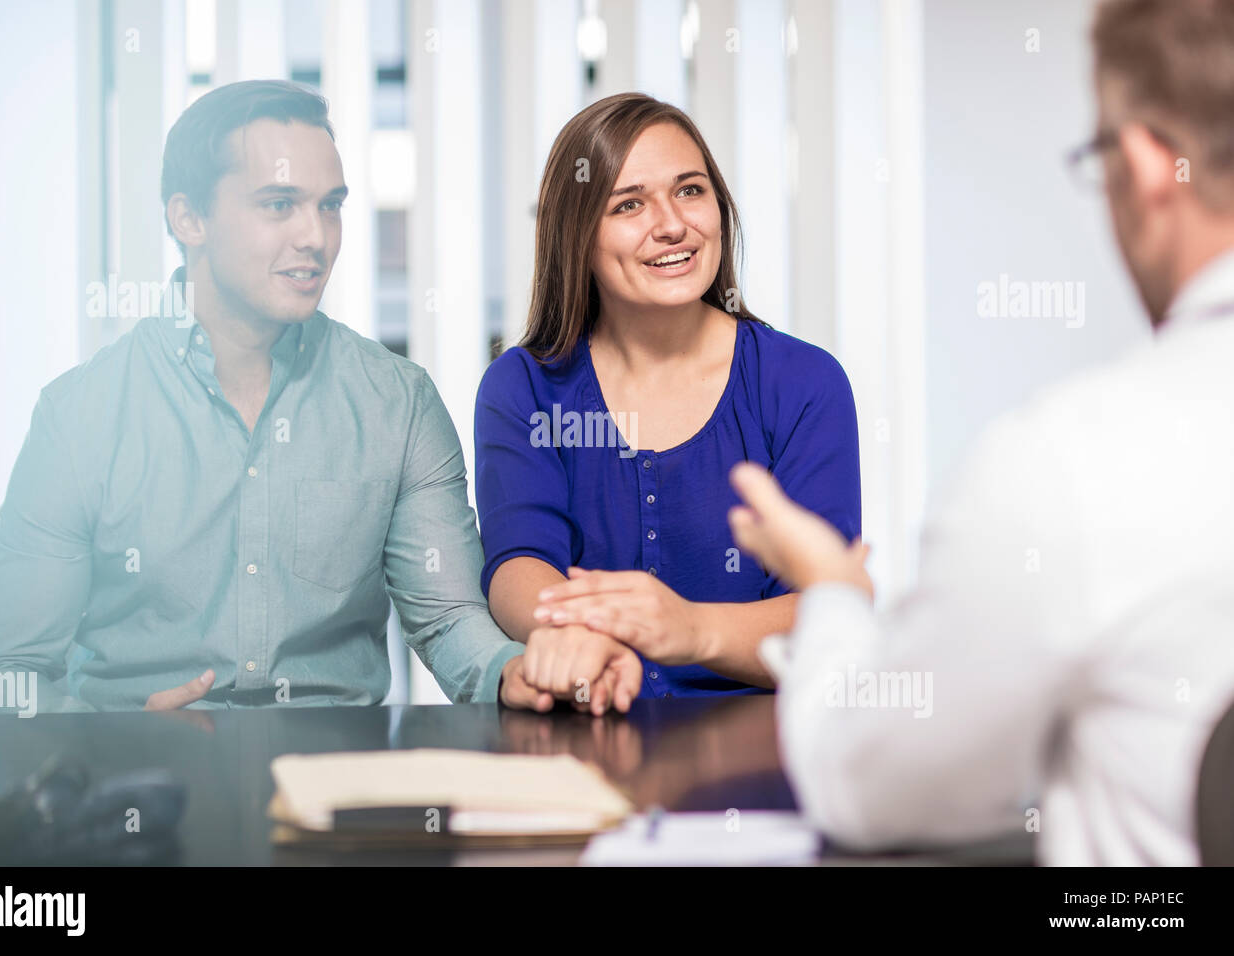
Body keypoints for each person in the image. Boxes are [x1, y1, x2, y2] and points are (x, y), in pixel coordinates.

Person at [727, 0, 1234, 865]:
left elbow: (874, 786)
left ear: (1148, 165)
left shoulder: (1074, 463)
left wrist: (831, 590)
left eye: (1099, 155)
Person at [0, 80, 562, 713]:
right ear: (188, 217)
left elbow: (448, 619)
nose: (317, 237)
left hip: (335, 790)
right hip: (137, 797)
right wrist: (106, 741)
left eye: (330, 205)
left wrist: (510, 673)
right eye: (280, 204)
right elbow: (5, 672)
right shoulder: (79, 415)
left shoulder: (399, 401)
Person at [475, 93, 861, 708]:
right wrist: (570, 635)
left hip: (763, 760)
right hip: (586, 749)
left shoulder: (804, 382)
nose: (673, 224)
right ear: (577, 236)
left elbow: (827, 610)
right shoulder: (522, 387)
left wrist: (691, 631)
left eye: (689, 190)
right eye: (629, 204)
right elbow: (520, 561)